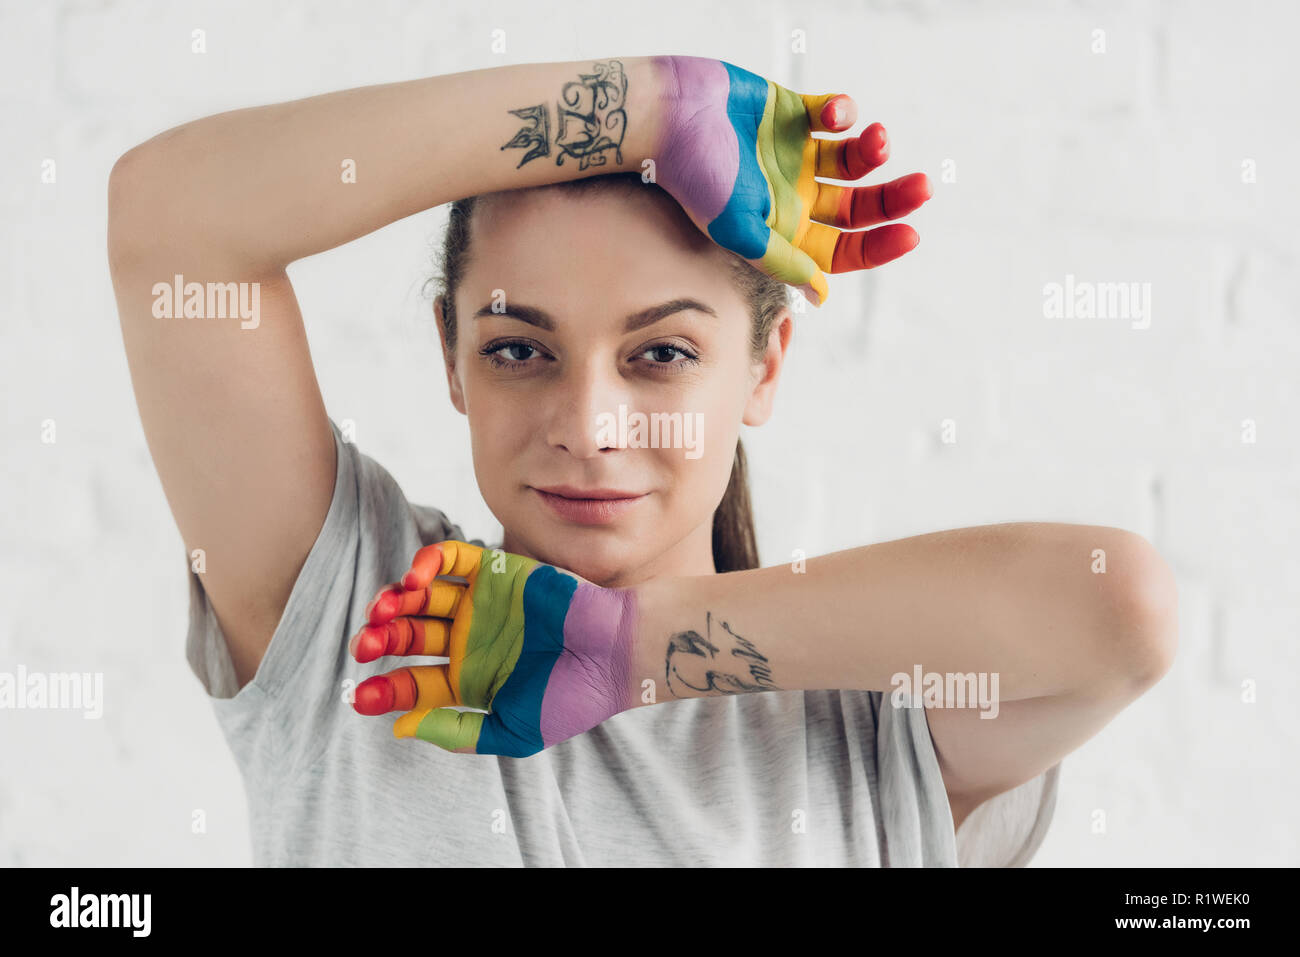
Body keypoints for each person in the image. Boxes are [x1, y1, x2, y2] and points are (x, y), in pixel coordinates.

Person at [108, 55, 1177, 866]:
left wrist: (629, 649)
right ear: (451, 355)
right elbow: (174, 223)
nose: (588, 426)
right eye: (518, 349)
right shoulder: (366, 623)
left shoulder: (872, 723)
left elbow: (1120, 610)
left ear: (763, 366)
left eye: (660, 354)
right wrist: (648, 105)